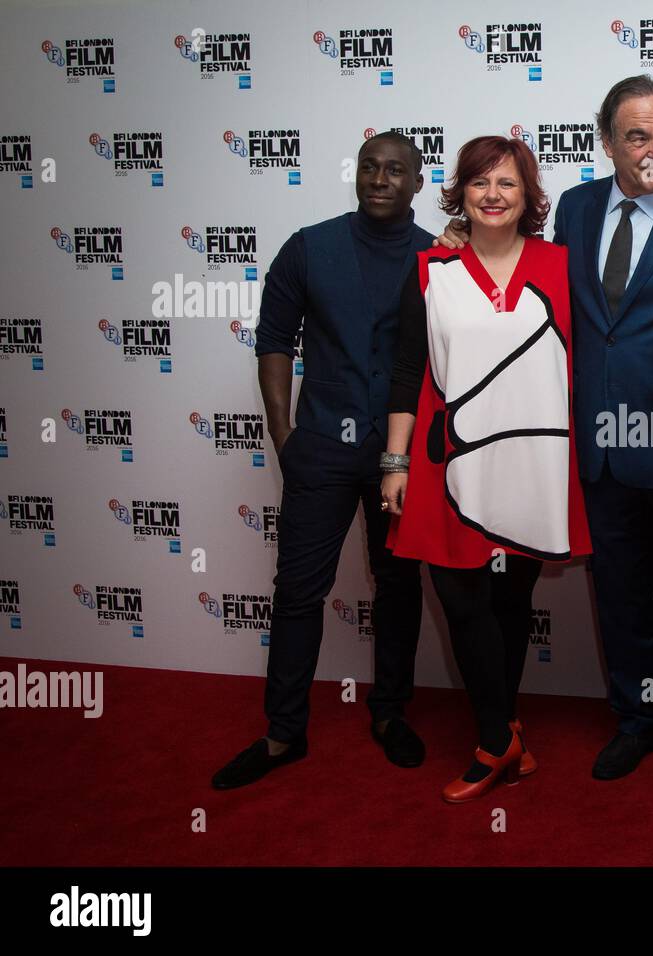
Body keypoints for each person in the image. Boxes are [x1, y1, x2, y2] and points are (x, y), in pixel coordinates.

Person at [444, 76, 653, 805]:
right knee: (621, 600)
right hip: (601, 450)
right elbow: (525, 278)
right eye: (637, 136)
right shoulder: (578, 210)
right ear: (607, 141)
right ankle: (638, 719)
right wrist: (462, 238)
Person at [212, 133, 433, 790]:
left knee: (397, 587)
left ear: (417, 183)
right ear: (355, 175)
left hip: (401, 455)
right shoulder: (309, 246)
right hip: (321, 449)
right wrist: (285, 436)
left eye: (396, 170)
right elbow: (275, 341)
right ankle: (284, 733)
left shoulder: (436, 257)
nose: (380, 178)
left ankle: (390, 715)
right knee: (300, 590)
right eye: (369, 167)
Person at [382, 136, 590, 803]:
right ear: (460, 194)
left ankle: (501, 735)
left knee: (510, 599)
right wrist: (394, 460)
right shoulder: (431, 269)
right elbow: (408, 369)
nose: (493, 195)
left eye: (507, 184)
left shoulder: (564, 266)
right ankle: (498, 738)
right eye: (480, 184)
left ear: (529, 197)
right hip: (451, 465)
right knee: (460, 596)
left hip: (536, 462)